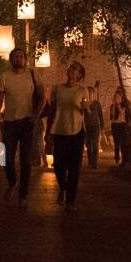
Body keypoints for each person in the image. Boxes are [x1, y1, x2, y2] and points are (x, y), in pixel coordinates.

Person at [0, 47, 45, 207]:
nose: (18, 59)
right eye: (15, 56)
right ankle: (13, 182)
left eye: (21, 56)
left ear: (25, 59)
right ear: (10, 60)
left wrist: (35, 114)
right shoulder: (4, 77)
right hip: (9, 122)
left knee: (25, 160)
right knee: (6, 159)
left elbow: (42, 96)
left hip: (28, 122)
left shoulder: (33, 74)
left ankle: (23, 195)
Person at [44, 61, 88, 209]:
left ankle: (70, 201)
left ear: (79, 74)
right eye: (70, 68)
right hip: (60, 130)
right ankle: (63, 187)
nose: (71, 70)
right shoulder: (57, 89)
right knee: (58, 165)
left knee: (74, 168)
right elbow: (52, 110)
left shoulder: (82, 91)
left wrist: (84, 108)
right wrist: (48, 130)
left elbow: (86, 110)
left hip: (77, 131)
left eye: (75, 69)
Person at [84, 84, 105, 170]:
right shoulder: (84, 104)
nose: (89, 94)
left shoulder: (97, 103)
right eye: (88, 92)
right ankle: (90, 162)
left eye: (91, 92)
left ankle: (94, 163)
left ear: (93, 93)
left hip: (96, 126)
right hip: (87, 126)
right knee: (89, 145)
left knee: (95, 145)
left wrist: (102, 126)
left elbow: (100, 115)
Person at [109, 87, 128, 164]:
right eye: (115, 97)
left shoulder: (124, 105)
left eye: (118, 97)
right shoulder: (112, 106)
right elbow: (112, 115)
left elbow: (121, 112)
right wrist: (114, 105)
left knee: (123, 142)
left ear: (121, 97)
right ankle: (117, 158)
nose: (117, 98)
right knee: (116, 142)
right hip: (115, 125)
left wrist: (118, 105)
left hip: (122, 125)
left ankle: (124, 159)